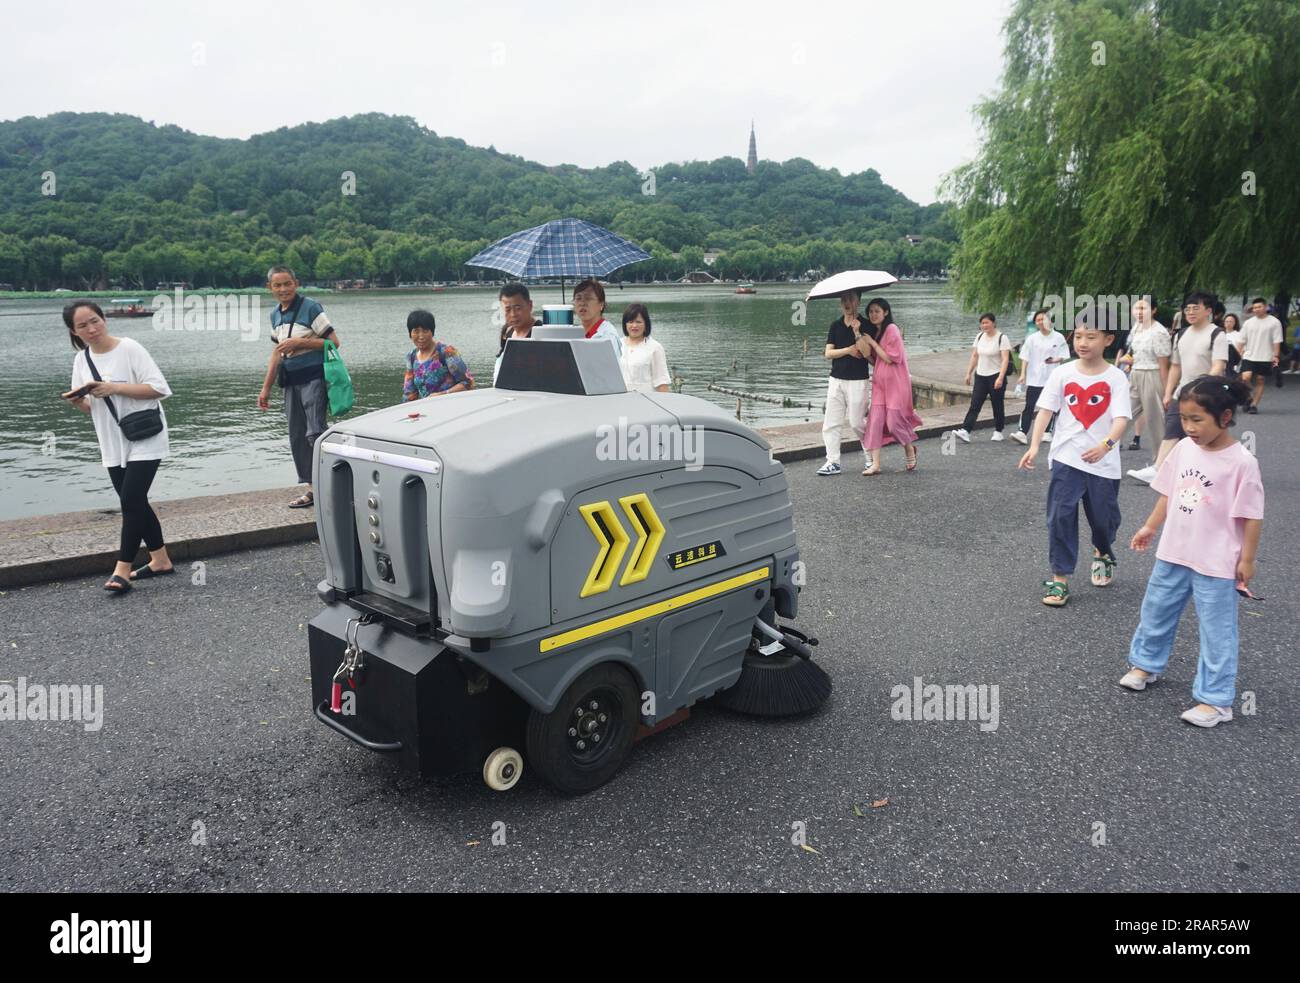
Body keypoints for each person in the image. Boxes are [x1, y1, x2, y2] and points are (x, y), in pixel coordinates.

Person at [1120, 376, 1264, 728]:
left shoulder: (1242, 462)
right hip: (1174, 552)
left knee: (1217, 630)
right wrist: (1150, 527)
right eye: (1184, 419)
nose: (1189, 427)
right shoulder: (1184, 448)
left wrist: (1247, 559)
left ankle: (1216, 700)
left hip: (1215, 561)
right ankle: (1146, 664)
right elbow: (1169, 492)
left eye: (1197, 419)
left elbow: (1252, 516)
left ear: (1225, 417)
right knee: (1156, 610)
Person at [1016, 308, 1131, 607]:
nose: (1083, 342)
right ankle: (1060, 580)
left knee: (1104, 521)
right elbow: (1046, 411)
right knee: (1060, 517)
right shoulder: (1063, 373)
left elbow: (1121, 419)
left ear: (1107, 339)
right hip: (1066, 458)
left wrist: (1106, 444)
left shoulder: (1116, 377)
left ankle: (1102, 551)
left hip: (1103, 463)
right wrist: (1035, 445)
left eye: (1091, 337)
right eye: (1078, 336)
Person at [62, 301, 174, 594]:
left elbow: (160, 389)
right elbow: (93, 408)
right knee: (136, 501)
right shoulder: (81, 361)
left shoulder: (129, 348)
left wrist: (114, 387)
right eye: (83, 325)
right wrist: (79, 403)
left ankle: (122, 569)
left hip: (146, 435)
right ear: (74, 331)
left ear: (104, 319)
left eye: (95, 320)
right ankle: (160, 559)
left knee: (130, 500)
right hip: (112, 440)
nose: (92, 328)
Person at [257, 266, 339, 509]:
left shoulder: (311, 307)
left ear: (296, 283)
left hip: (314, 377)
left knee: (315, 432)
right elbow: (276, 354)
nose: (283, 289)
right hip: (290, 382)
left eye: (287, 284)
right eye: (277, 285)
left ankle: (332, 486)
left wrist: (300, 342)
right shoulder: (274, 315)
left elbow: (334, 342)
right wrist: (265, 389)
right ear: (269, 288)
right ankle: (313, 489)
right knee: (297, 437)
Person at [1127, 291, 1228, 484]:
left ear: (1208, 311)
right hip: (1182, 392)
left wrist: (1202, 386)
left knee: (1208, 433)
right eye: (1187, 309)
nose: (1190, 312)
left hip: (1208, 394)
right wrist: (1168, 392)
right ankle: (1158, 469)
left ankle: (1218, 468)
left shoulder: (1217, 334)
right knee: (1172, 430)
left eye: (1195, 308)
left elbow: (1218, 365)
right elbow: (1175, 366)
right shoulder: (1181, 334)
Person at [857, 298, 923, 474]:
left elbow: (890, 358)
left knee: (893, 423)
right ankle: (876, 465)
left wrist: (871, 343)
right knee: (875, 422)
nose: (873, 315)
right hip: (880, 384)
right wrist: (864, 351)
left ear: (885, 312)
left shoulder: (892, 329)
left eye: (877, 311)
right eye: (870, 311)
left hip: (896, 384)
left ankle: (909, 449)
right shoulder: (876, 333)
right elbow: (877, 361)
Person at [816, 290, 872, 476]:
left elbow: (867, 354)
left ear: (858, 301)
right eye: (844, 300)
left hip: (858, 380)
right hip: (836, 379)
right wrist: (848, 350)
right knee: (831, 422)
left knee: (857, 423)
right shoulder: (836, 325)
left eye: (851, 299)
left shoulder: (867, 325)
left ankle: (870, 458)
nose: (847, 303)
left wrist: (857, 332)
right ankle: (833, 461)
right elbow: (828, 353)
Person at [1120, 298, 1170, 462]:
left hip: (1152, 376)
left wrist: (1166, 392)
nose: (1139, 312)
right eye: (1137, 308)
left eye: (1144, 308)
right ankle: (1104, 453)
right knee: (1123, 414)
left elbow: (1164, 364)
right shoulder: (1137, 327)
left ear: (1154, 310)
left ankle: (1161, 464)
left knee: (1156, 424)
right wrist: (1131, 362)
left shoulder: (1159, 332)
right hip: (1135, 374)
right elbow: (1136, 353)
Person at [1010, 308, 1069, 445]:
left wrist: (1054, 360)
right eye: (1038, 320)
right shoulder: (1032, 338)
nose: (1040, 322)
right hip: (1034, 378)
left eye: (1043, 319)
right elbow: (1025, 357)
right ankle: (1022, 432)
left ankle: (1047, 432)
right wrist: (1023, 374)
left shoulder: (1058, 337)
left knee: (1050, 406)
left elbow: (1064, 354)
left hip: (1051, 378)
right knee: (1029, 406)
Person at [951, 313, 1011, 443]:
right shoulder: (979, 337)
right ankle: (966, 430)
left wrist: (1000, 377)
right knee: (975, 404)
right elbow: (975, 356)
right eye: (982, 323)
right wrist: (969, 373)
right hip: (981, 376)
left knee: (997, 404)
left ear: (993, 323)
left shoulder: (1002, 337)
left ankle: (998, 431)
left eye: (987, 322)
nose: (984, 325)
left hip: (995, 375)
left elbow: (1005, 359)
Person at [402, 310, 473, 400]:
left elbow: (468, 382)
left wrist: (444, 394)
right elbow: (409, 393)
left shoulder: (447, 352)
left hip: (451, 406)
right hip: (427, 410)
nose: (421, 336)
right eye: (416, 331)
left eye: (425, 331)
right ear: (410, 334)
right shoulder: (411, 357)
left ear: (432, 332)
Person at [1238, 297, 1283, 413]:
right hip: (1249, 355)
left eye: (1259, 307)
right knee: (1245, 377)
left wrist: (1276, 356)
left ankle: (1254, 405)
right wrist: (1237, 354)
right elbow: (1242, 340)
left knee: (1260, 380)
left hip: (1266, 356)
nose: (1257, 309)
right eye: (1255, 307)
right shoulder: (1248, 323)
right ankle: (1249, 398)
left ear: (1266, 307)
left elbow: (1277, 340)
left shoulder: (1274, 322)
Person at [618, 303, 670, 393]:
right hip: (620, 399)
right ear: (625, 324)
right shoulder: (617, 344)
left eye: (638, 322)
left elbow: (661, 382)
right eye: (630, 322)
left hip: (647, 400)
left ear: (646, 324)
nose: (634, 326)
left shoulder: (655, 347)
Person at [493, 282, 535, 385]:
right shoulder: (507, 333)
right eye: (507, 310)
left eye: (518, 308)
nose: (513, 315)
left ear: (530, 305)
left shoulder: (540, 333)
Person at [573, 278, 622, 358]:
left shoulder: (607, 337)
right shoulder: (576, 333)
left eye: (588, 298)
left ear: (601, 305)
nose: (582, 303)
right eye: (578, 298)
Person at [1221, 312, 1244, 378]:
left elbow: (1242, 351)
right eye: (1227, 321)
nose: (1228, 323)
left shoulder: (1239, 335)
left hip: (1233, 364)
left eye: (1231, 321)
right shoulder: (1219, 334)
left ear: (1235, 323)